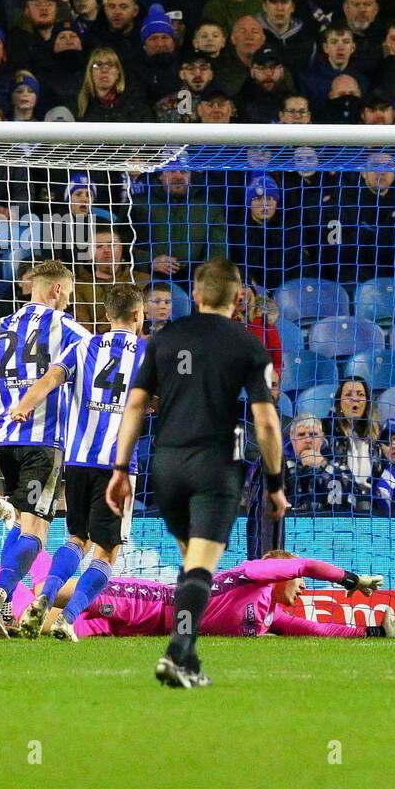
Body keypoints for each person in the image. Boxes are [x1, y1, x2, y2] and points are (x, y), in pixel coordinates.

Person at [105, 257, 289, 688]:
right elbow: (265, 422)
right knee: (201, 568)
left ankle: (187, 659)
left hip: (166, 464)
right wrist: (276, 484)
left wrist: (119, 468)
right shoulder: (247, 345)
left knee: (192, 563)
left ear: (198, 295)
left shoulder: (164, 338)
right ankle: (175, 654)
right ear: (239, 298)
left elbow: (134, 406)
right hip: (213, 465)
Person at [0, 260, 90, 638]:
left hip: (5, 441)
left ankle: (2, 601)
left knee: (25, 524)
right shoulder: (69, 329)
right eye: (69, 294)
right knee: (36, 532)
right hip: (44, 442)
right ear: (57, 290)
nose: (68, 302)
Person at [5, 284, 148, 640]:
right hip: (117, 468)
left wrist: (24, 404)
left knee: (76, 537)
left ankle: (47, 595)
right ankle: (67, 617)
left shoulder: (82, 346)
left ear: (106, 315)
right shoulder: (150, 352)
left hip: (79, 461)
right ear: (137, 315)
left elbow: (51, 378)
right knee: (107, 551)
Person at [0, 535, 395, 640]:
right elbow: (304, 564)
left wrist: (378, 633)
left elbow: (317, 630)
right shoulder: (252, 576)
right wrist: (349, 580)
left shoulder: (272, 616)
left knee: (31, 631)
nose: (300, 589)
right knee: (47, 598)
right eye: (296, 581)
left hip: (138, 629)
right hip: (145, 600)